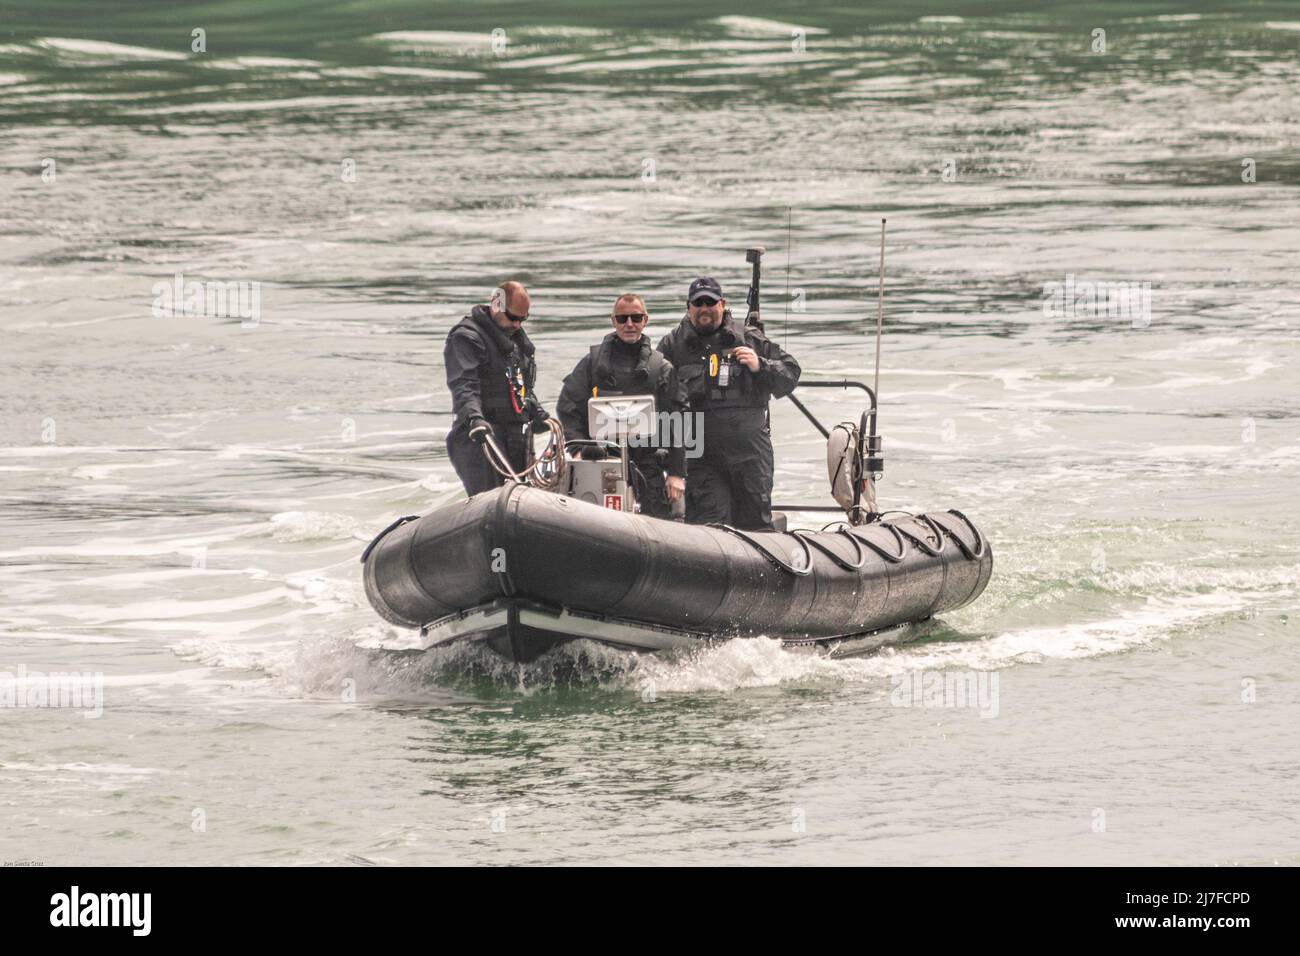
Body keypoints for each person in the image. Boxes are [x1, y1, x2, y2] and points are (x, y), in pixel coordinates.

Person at [656, 276, 800, 530]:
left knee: (756, 524)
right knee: (710, 528)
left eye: (710, 302)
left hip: (749, 452)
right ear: (689, 307)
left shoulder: (749, 338)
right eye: (698, 303)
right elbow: (655, 393)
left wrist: (760, 366)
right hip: (701, 455)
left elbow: (790, 374)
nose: (704, 308)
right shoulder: (672, 345)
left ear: (721, 304)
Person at [556, 293, 687, 519]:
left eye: (635, 318)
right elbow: (568, 406)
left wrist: (676, 473)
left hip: (648, 463)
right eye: (622, 318)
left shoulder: (661, 368)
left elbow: (678, 420)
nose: (629, 324)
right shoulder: (592, 364)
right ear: (613, 321)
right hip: (600, 461)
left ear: (645, 320)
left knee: (657, 519)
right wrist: (578, 448)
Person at [444, 281, 549, 496]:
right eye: (512, 317)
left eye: (523, 319)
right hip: (480, 436)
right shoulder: (466, 337)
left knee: (519, 497)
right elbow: (464, 385)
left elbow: (520, 386)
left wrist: (535, 411)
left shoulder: (516, 342)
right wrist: (475, 418)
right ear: (496, 305)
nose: (517, 325)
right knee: (490, 498)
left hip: (514, 436)